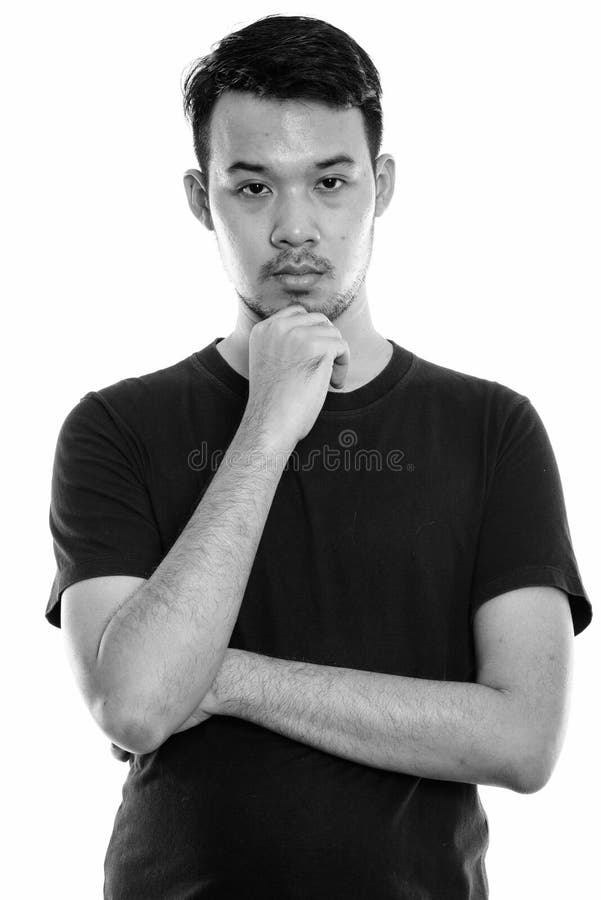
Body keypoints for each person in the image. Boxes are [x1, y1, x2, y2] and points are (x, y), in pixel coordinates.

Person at [46, 14, 592, 900]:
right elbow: (140, 706)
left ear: (379, 184)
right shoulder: (114, 427)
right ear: (200, 199)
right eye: (253, 188)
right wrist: (265, 427)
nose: (294, 227)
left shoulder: (493, 428)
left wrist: (216, 676)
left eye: (329, 181)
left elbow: (523, 742)